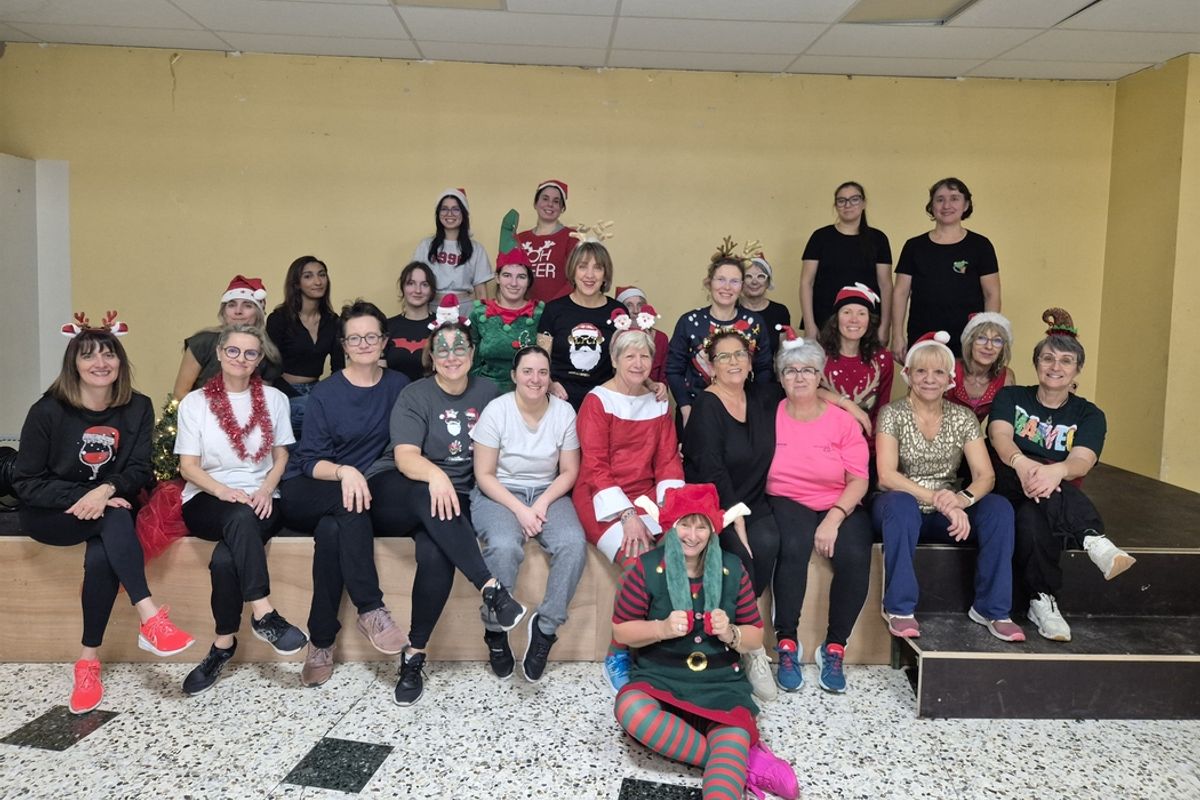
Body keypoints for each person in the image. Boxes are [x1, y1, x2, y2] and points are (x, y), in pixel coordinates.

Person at [15, 315, 194, 714]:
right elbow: (26, 482)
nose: (100, 363)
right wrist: (86, 496)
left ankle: (88, 662)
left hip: (107, 507)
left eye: (109, 354)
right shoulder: (47, 411)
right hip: (50, 514)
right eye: (89, 355)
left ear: (120, 362)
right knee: (111, 518)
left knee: (104, 544)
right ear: (73, 364)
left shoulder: (138, 407)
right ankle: (150, 616)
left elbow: (138, 471)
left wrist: (104, 490)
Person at [365, 311, 527, 706]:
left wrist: (552, 387)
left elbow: (526, 405)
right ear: (432, 356)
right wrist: (436, 476)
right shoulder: (415, 394)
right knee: (428, 494)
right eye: (442, 349)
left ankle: (414, 654)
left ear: (472, 353)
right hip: (400, 488)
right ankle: (491, 588)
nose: (451, 356)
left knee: (436, 556)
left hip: (454, 502)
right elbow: (405, 457)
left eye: (459, 348)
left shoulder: (490, 393)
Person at [612, 483, 800, 800]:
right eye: (685, 524)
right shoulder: (647, 568)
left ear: (713, 529)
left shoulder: (732, 568)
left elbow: (756, 636)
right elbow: (621, 631)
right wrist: (660, 628)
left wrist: (732, 634)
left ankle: (731, 763)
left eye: (701, 527)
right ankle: (744, 764)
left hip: (722, 684)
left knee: (724, 780)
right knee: (630, 708)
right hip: (661, 676)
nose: (693, 535)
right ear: (672, 526)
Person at [278, 301, 410, 687]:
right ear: (345, 345)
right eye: (355, 338)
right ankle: (370, 607)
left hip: (355, 498)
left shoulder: (398, 386)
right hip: (310, 487)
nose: (364, 343)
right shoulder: (325, 392)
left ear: (384, 342)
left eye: (371, 336)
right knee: (349, 501)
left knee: (334, 531)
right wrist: (345, 472)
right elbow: (309, 462)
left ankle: (320, 642)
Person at [987, 308, 1134, 642]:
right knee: (1021, 479)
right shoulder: (1012, 396)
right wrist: (1023, 464)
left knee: (1030, 519)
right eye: (1048, 358)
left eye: (1066, 361)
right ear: (1037, 363)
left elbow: (1082, 460)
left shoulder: (1089, 414)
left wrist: (1057, 471)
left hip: (1049, 492)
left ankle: (1041, 599)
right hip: (1009, 477)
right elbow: (999, 437)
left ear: (1077, 370)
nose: (1056, 367)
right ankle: (1093, 539)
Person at [176, 324, 307, 695]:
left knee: (223, 560)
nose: (241, 359)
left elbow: (281, 454)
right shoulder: (195, 403)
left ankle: (222, 645)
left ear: (259, 360)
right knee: (238, 515)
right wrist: (223, 490)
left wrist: (267, 488)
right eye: (233, 351)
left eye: (250, 353)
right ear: (219, 353)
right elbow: (188, 467)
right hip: (206, 497)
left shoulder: (274, 400)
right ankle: (264, 612)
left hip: (263, 498)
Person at [873, 331, 1024, 642]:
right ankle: (899, 608)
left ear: (950, 380)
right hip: (899, 507)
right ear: (908, 375)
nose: (930, 379)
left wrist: (961, 501)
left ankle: (992, 609)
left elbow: (985, 475)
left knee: (999, 508)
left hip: (948, 510)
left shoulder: (963, 417)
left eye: (939, 372)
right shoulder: (892, 414)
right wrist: (940, 500)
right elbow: (887, 476)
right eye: (921, 371)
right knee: (900, 503)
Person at [574, 315, 684, 692]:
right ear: (615, 358)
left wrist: (670, 515)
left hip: (647, 496)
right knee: (640, 567)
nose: (637, 363)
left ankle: (660, 649)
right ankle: (617, 653)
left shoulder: (658, 401)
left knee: (680, 556)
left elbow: (668, 461)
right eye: (629, 355)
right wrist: (627, 516)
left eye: (644, 356)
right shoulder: (597, 401)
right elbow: (595, 465)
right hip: (600, 498)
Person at [470, 346, 586, 683]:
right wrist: (521, 510)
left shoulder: (564, 413)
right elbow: (485, 475)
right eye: (527, 372)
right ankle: (494, 631)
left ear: (550, 378)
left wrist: (540, 504)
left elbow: (568, 471)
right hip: (500, 492)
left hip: (549, 491)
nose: (535, 379)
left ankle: (546, 629)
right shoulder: (497, 411)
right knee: (505, 545)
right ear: (514, 376)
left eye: (542, 373)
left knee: (573, 544)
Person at [764, 336, 873, 695]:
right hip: (786, 498)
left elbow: (859, 479)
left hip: (839, 501)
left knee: (855, 555)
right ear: (780, 377)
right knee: (792, 546)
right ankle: (787, 643)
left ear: (819, 377)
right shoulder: (769, 414)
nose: (799, 378)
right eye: (791, 371)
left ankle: (834, 647)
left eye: (808, 371)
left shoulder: (842, 423)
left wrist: (834, 518)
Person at [681, 327, 779, 701]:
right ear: (711, 365)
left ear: (751, 360)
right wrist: (734, 516)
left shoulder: (761, 396)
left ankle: (730, 630)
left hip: (754, 500)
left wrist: (849, 405)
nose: (733, 362)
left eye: (739, 354)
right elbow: (710, 467)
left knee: (769, 543)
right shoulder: (706, 405)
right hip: (713, 504)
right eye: (724, 357)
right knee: (741, 557)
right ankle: (752, 650)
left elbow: (809, 386)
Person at [892, 177, 1001, 361]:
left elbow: (992, 295)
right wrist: (897, 336)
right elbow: (900, 293)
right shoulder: (914, 246)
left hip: (968, 339)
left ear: (966, 205)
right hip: (922, 336)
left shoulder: (980, 245)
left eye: (954, 198)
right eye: (940, 199)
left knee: (966, 388)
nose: (946, 205)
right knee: (924, 387)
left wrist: (987, 337)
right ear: (932, 206)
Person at [667, 245, 773, 430]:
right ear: (709, 283)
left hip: (742, 412)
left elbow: (764, 369)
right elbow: (673, 370)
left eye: (734, 281)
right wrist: (685, 408)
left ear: (741, 286)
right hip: (695, 411)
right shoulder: (689, 322)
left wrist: (755, 406)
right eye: (721, 279)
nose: (727, 287)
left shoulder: (754, 323)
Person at [537, 237, 627, 410]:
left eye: (598, 268)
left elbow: (625, 359)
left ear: (605, 274)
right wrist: (549, 384)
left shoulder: (618, 312)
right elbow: (541, 358)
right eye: (583, 266)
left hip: (603, 401)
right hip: (558, 398)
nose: (590, 275)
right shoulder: (553, 310)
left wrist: (650, 384)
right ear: (573, 270)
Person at [800, 181, 893, 340]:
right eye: (841, 200)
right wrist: (810, 324)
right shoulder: (820, 237)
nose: (847, 205)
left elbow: (885, 285)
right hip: (825, 320)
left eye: (854, 199)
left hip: (866, 322)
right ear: (835, 205)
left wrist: (885, 325)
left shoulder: (878, 239)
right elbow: (806, 283)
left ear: (863, 203)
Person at [265, 256, 344, 440]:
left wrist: (327, 395)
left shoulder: (333, 321)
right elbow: (269, 367)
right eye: (308, 276)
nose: (317, 281)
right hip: (284, 391)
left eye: (322, 275)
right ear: (297, 283)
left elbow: (338, 367)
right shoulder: (279, 318)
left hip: (316, 390)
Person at [171, 275, 281, 400]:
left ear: (259, 313)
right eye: (231, 305)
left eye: (247, 305)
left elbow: (262, 401)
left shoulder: (267, 350)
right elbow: (180, 393)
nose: (238, 311)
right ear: (223, 311)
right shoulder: (203, 342)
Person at [469, 212, 544, 393]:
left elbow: (546, 360)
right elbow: (471, 359)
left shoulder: (540, 313)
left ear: (529, 281)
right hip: (484, 392)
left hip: (528, 393)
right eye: (507, 275)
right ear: (497, 278)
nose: (513, 283)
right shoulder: (479, 313)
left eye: (521, 277)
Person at [413, 188, 493, 317]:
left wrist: (483, 321)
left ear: (464, 213)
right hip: (431, 309)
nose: (449, 214)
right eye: (444, 209)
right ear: (438, 213)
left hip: (465, 310)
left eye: (456, 209)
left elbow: (481, 292)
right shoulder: (426, 245)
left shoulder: (476, 249)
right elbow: (415, 281)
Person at [516, 179, 577, 304]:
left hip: (558, 310)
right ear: (535, 203)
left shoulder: (571, 237)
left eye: (556, 201)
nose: (550, 204)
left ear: (562, 208)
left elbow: (575, 280)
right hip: (523, 311)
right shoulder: (520, 239)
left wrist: (552, 307)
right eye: (545, 199)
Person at [946, 312, 1015, 421]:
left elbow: (1004, 420)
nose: (988, 346)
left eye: (997, 341)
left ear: (1002, 349)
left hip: (975, 437)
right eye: (981, 338)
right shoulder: (949, 368)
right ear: (970, 342)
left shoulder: (1006, 377)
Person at [384, 261, 437, 383]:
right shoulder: (387, 326)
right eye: (411, 283)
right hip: (395, 396)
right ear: (403, 287)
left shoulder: (442, 326)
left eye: (424, 284)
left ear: (431, 290)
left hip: (432, 397)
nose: (417, 290)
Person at [615, 285, 669, 384]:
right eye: (629, 305)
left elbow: (664, 378)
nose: (636, 311)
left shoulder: (661, 339)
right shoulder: (615, 339)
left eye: (640, 305)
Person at [739, 253, 792, 355]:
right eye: (748, 276)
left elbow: (783, 354)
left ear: (768, 282)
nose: (754, 282)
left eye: (761, 276)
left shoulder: (780, 311)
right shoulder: (731, 309)